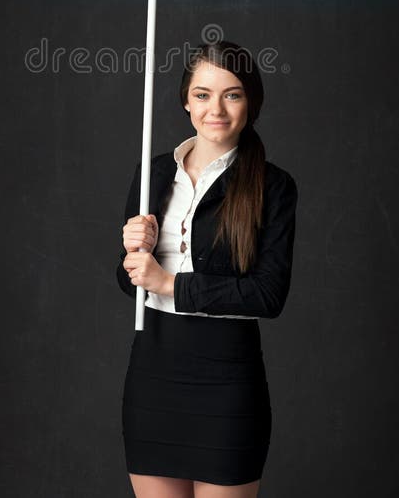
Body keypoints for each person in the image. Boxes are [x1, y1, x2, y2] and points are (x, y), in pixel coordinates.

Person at [116, 40, 297, 498]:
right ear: (185, 100)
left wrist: (169, 283)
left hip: (227, 381)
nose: (215, 108)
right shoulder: (154, 173)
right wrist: (134, 255)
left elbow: (267, 294)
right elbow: (130, 281)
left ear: (251, 102)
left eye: (232, 94)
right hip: (154, 374)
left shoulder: (273, 187)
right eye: (202, 94)